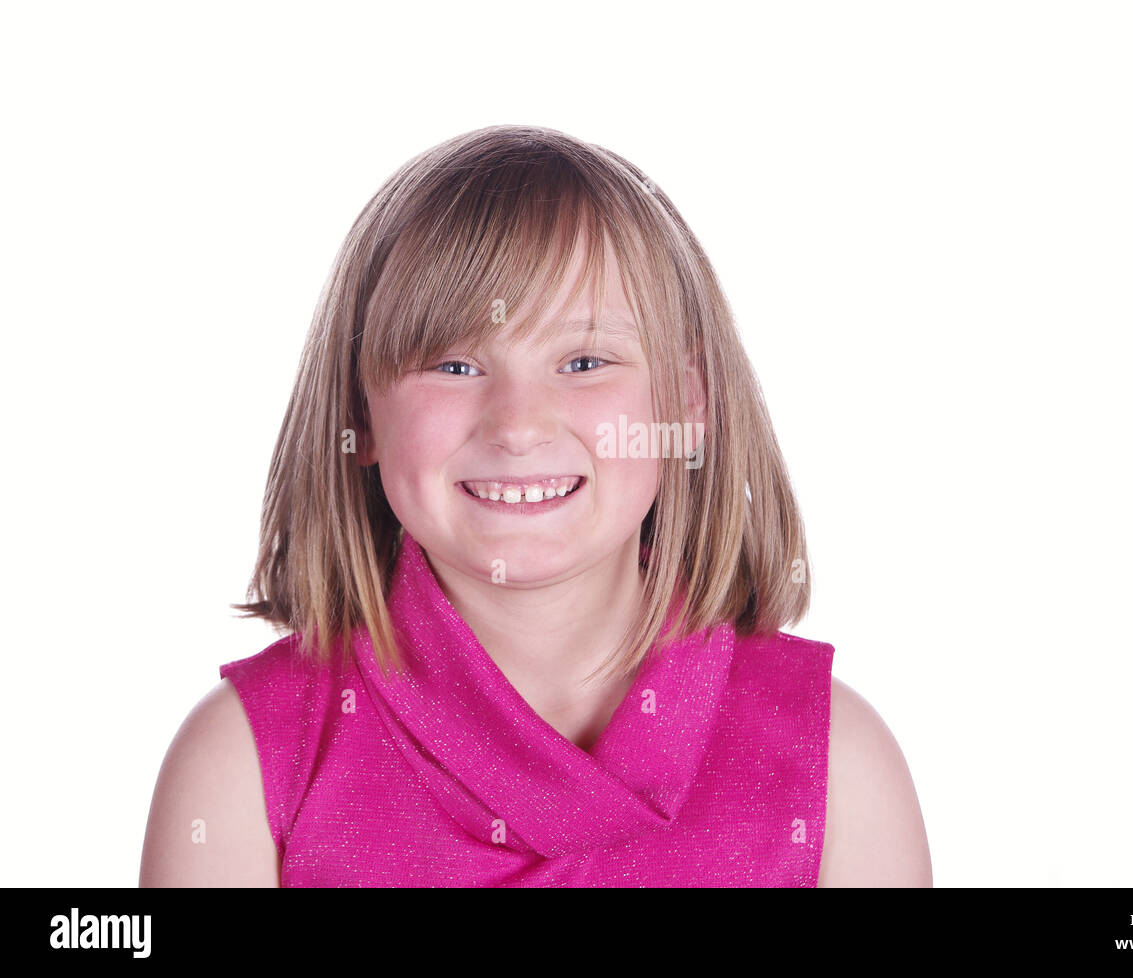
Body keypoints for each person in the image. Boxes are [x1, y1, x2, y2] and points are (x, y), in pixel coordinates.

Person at [139, 124, 932, 887]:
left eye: (584, 361)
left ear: (688, 404)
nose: (517, 425)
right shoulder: (242, 765)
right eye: (452, 365)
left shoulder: (836, 766)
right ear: (360, 415)